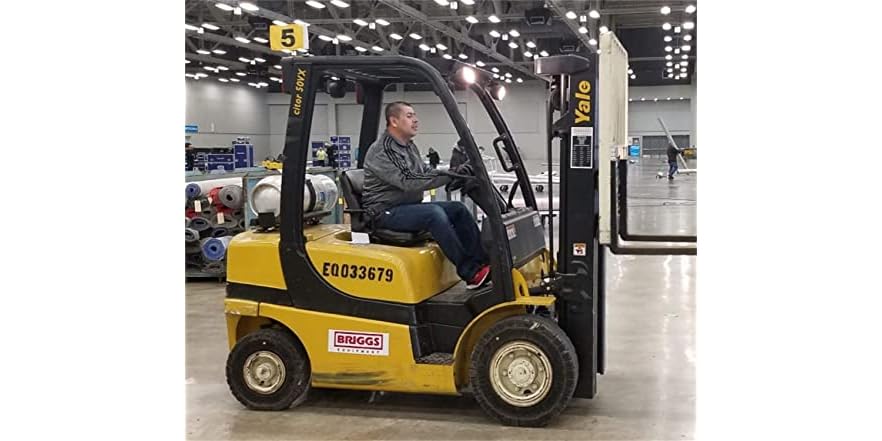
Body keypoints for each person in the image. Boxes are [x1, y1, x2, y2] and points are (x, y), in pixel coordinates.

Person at [362, 101, 491, 289]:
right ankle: (469, 272)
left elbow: (425, 171)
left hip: (406, 207)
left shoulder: (409, 147)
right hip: (384, 212)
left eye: (414, 115)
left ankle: (483, 263)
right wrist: (451, 174)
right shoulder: (384, 150)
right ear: (394, 121)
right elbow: (410, 181)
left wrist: (455, 173)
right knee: (433, 214)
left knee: (458, 209)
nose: (415, 120)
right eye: (409, 116)